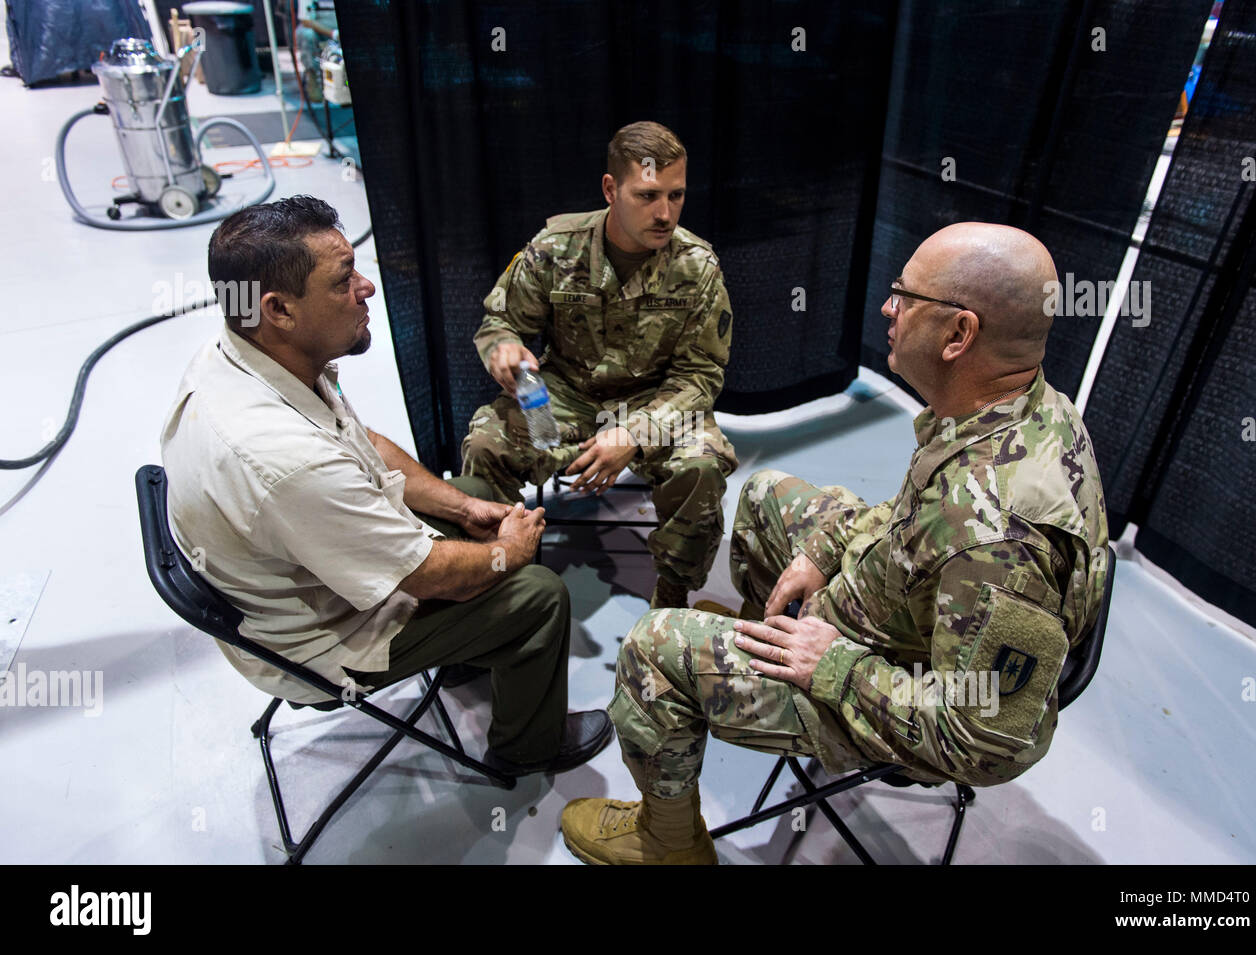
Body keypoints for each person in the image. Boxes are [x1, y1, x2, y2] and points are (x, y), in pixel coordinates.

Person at [560, 222, 1111, 863]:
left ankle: (667, 844)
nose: (888, 307)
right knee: (766, 493)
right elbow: (915, 521)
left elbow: (984, 741)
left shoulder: (995, 537)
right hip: (896, 603)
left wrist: (835, 668)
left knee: (651, 648)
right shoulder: (1022, 410)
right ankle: (750, 652)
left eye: (906, 295)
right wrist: (823, 553)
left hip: (888, 677)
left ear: (960, 334)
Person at [161, 196, 612, 777]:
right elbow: (421, 574)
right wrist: (509, 554)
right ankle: (527, 749)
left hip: (305, 567)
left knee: (477, 489)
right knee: (538, 594)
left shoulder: (248, 351)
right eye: (343, 279)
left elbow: (363, 442)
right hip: (323, 641)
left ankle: (473, 647)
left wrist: (466, 504)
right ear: (279, 309)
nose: (367, 287)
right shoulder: (283, 460)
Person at [461, 121, 738, 610]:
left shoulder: (697, 266)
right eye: (648, 195)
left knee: (701, 463)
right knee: (487, 443)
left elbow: (701, 376)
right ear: (611, 189)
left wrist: (634, 432)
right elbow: (499, 320)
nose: (665, 213)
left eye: (676, 196)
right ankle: (494, 574)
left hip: (655, 402)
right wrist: (503, 347)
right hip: (562, 397)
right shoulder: (555, 247)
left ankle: (673, 587)